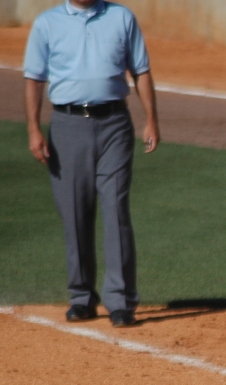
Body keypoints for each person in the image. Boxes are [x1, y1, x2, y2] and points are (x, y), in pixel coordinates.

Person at [24, 0, 160, 327]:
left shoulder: (121, 17)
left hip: (115, 122)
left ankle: (121, 302)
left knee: (115, 208)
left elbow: (140, 70)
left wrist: (152, 120)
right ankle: (82, 298)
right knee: (74, 211)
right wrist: (33, 128)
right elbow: (34, 79)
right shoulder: (47, 24)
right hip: (67, 125)